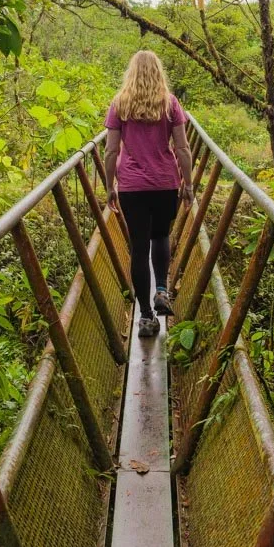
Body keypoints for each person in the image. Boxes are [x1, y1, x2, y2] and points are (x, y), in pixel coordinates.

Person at [104, 51, 194, 338]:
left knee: (139, 248)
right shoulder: (170, 103)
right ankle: (162, 291)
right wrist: (188, 184)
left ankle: (144, 317)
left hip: (132, 186)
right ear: (159, 72)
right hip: (166, 184)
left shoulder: (120, 104)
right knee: (161, 236)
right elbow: (182, 148)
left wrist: (109, 187)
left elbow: (110, 150)